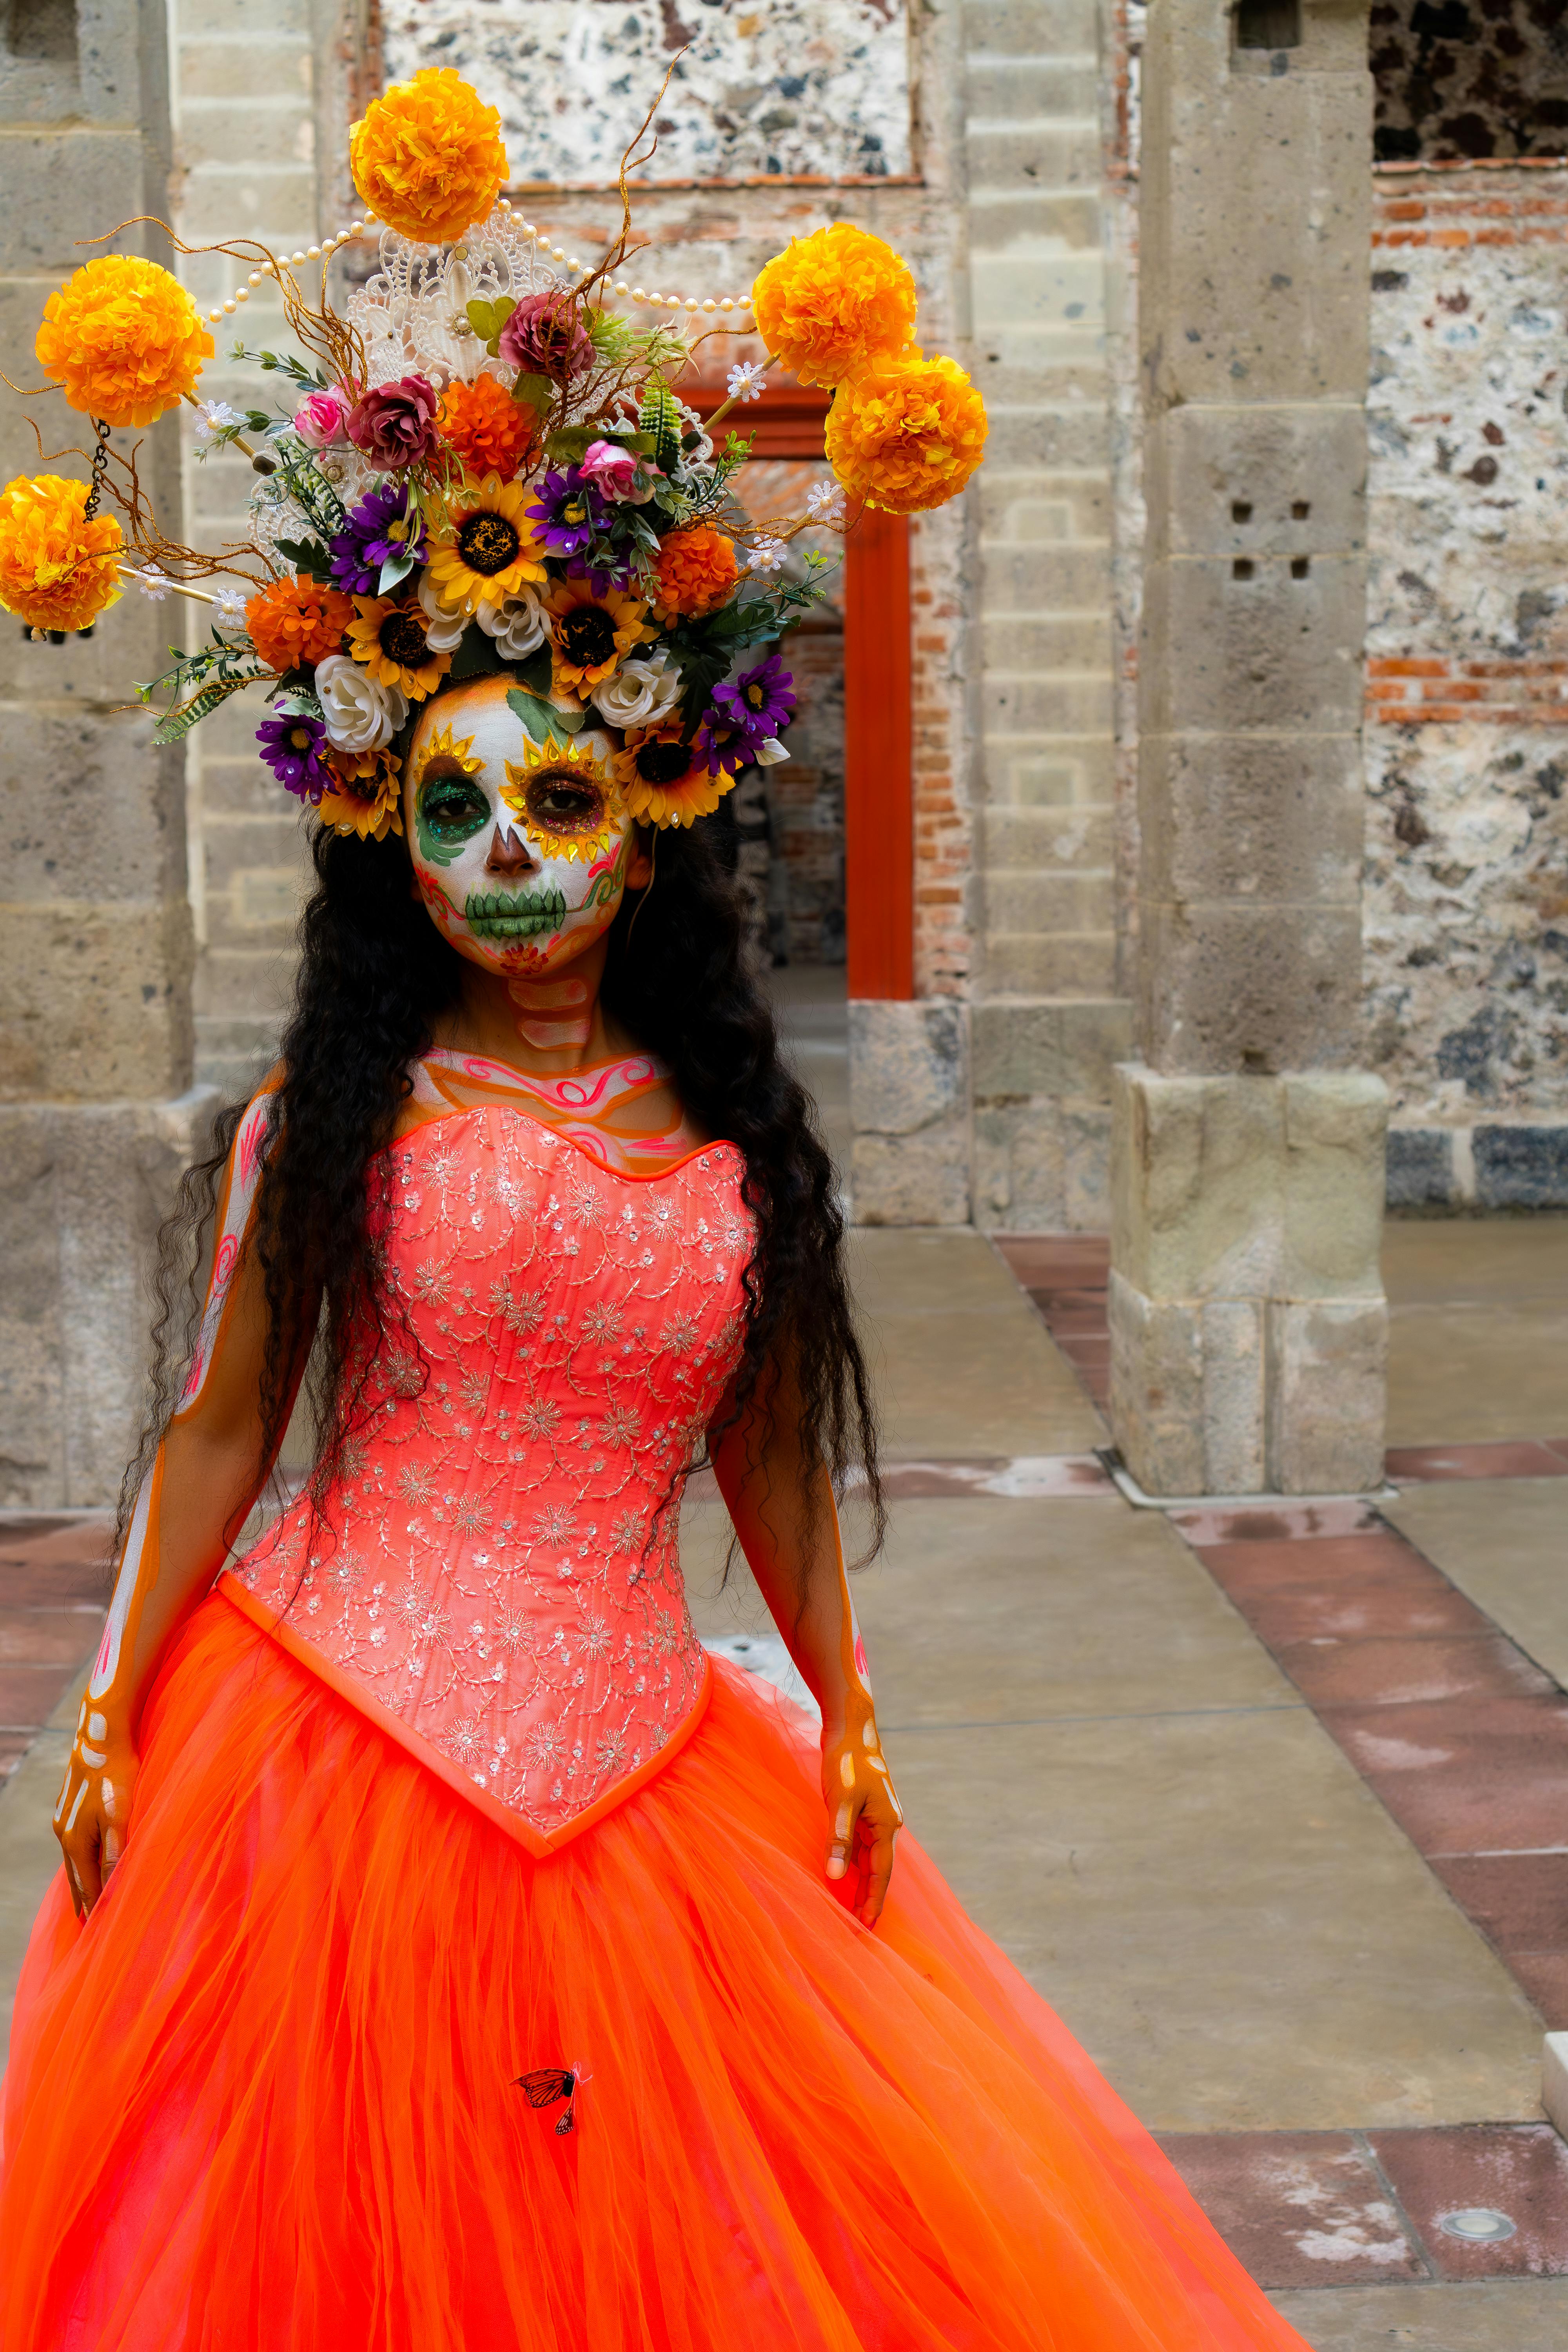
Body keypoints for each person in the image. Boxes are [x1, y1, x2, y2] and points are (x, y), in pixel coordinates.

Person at [0, 69, 1314, 2350]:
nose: (512, 856)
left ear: (655, 810)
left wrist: (855, 1704)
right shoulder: (329, 1117)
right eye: (456, 807)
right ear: (385, 836)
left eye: (565, 797)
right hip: (329, 1744)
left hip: (646, 1757)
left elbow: (768, 1447)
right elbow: (225, 1423)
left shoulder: (730, 1150)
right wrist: (115, 1692)